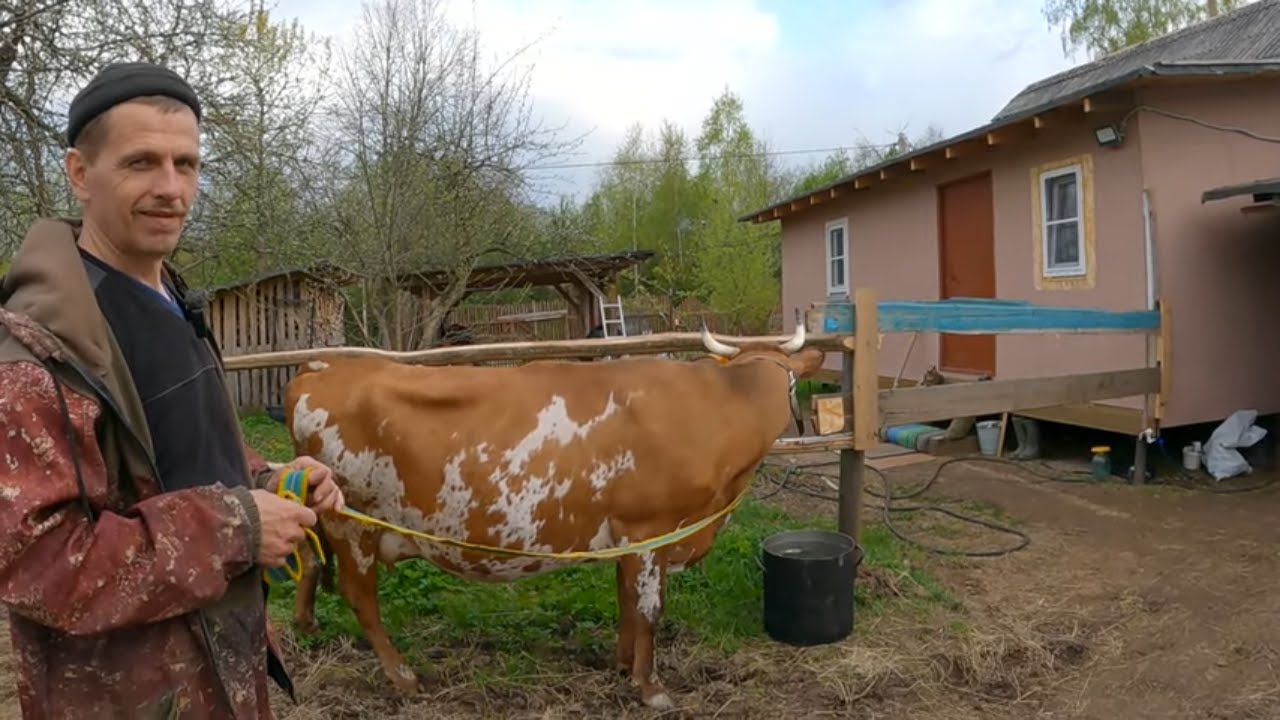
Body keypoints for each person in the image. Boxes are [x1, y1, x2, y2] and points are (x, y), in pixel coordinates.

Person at [0, 61, 344, 719]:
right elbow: (40, 567)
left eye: (185, 165)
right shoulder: (38, 352)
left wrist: (271, 482)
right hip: (128, 695)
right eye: (141, 163)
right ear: (79, 173)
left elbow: (181, 462)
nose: (171, 188)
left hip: (219, 666)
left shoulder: (171, 299)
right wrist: (239, 527)